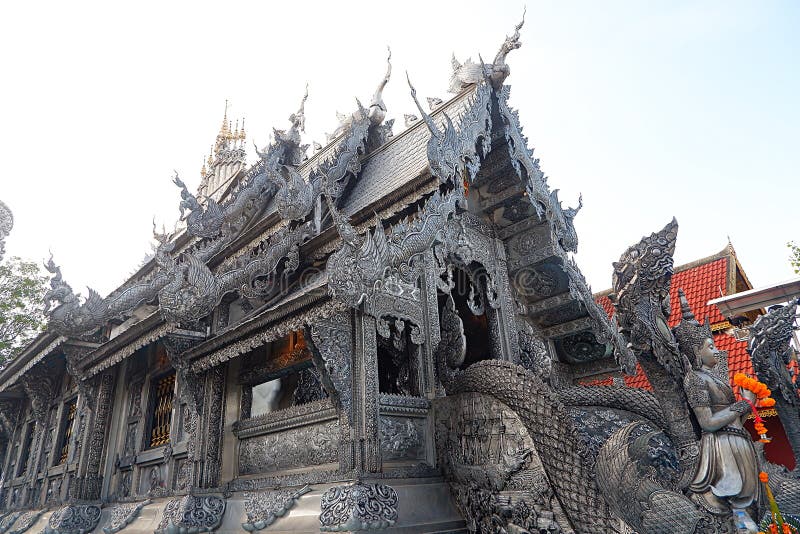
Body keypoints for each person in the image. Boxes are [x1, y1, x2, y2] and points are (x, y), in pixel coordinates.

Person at [674, 290, 759, 517]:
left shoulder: (717, 378)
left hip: (739, 441)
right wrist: (740, 406)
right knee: (733, 506)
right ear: (696, 351)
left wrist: (748, 404)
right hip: (721, 448)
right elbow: (709, 423)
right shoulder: (695, 379)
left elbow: (735, 418)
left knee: (748, 507)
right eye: (710, 346)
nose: (716, 350)